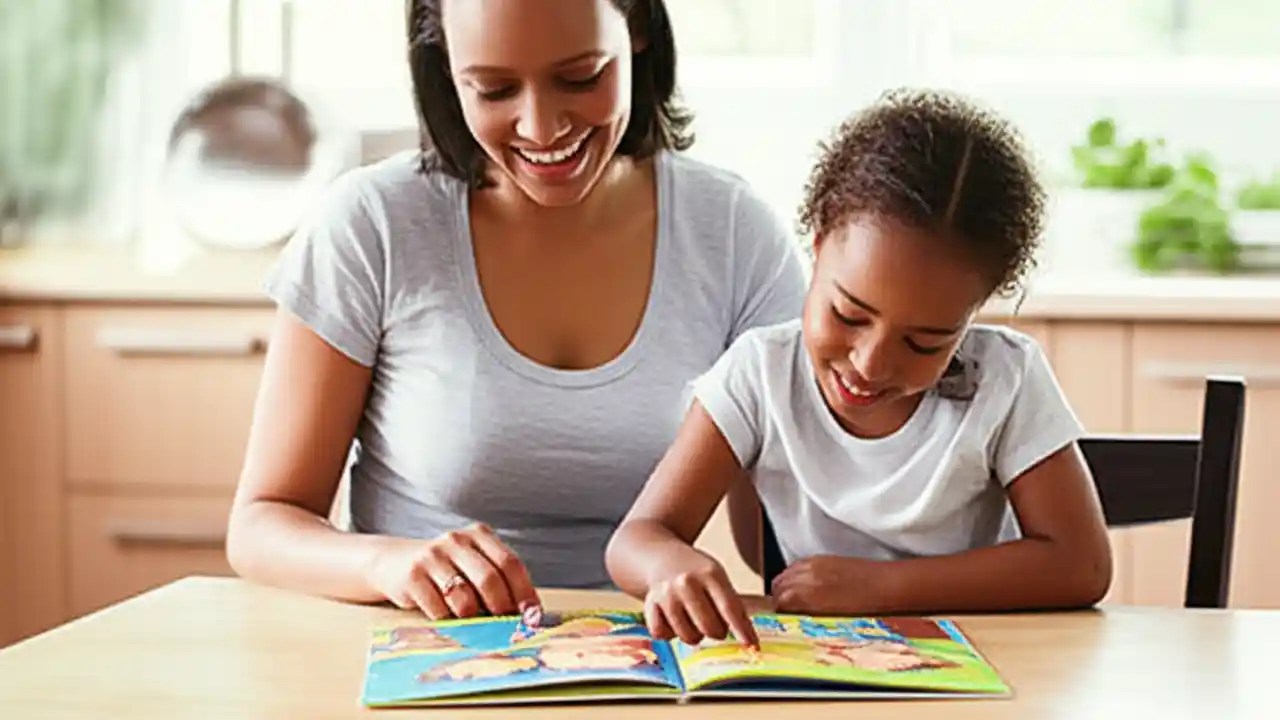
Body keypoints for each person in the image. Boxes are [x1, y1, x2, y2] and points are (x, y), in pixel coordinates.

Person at [224, 0, 806, 621]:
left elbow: (777, 544)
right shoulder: (373, 225)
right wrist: (388, 563)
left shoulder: (735, 233)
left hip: (640, 662)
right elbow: (261, 526)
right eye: (495, 89)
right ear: (446, 68)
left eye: (580, 77)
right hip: (423, 654)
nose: (541, 126)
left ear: (636, 29)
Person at [606, 89, 1113, 648]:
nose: (870, 364)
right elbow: (636, 539)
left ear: (978, 307)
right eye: (848, 314)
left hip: (987, 665)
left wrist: (884, 588)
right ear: (818, 244)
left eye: (925, 343)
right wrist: (668, 565)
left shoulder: (1005, 379)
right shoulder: (759, 373)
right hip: (819, 669)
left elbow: (1081, 566)